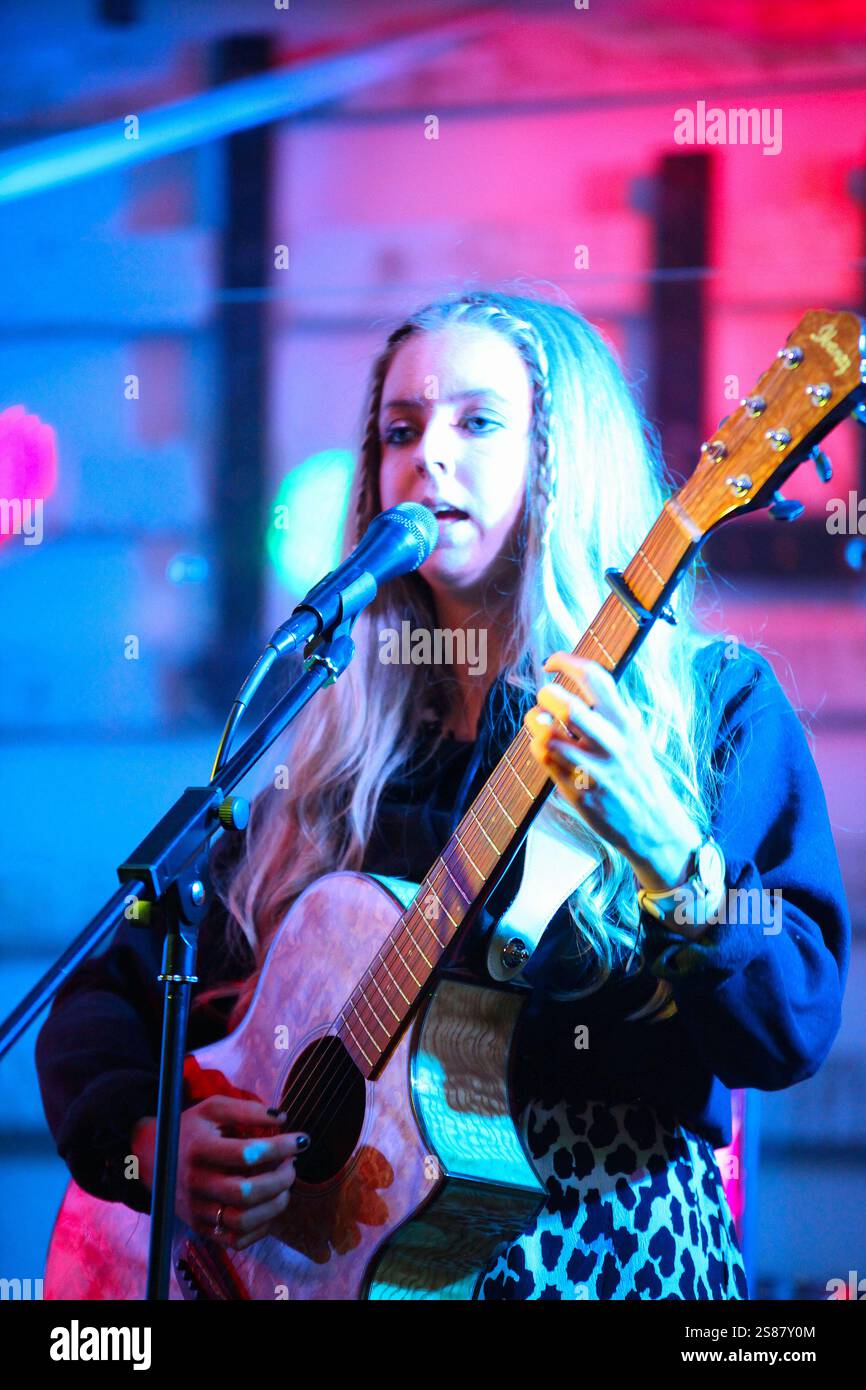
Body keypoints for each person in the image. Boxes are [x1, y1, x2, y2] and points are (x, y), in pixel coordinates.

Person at [36, 287, 850, 1299]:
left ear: (565, 456)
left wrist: (678, 866)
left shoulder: (705, 707)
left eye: (476, 421)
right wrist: (154, 1146)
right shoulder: (338, 756)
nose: (427, 455)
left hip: (603, 1268)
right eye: (398, 429)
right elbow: (105, 990)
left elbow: (792, 1025)